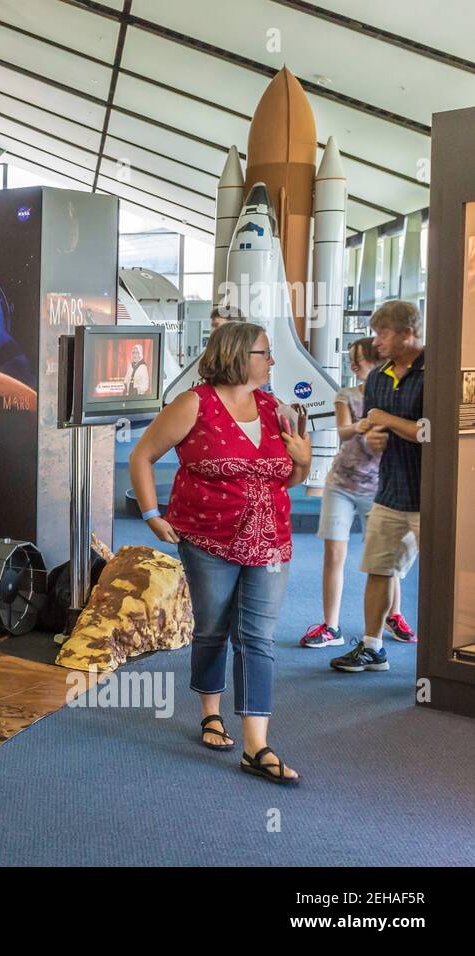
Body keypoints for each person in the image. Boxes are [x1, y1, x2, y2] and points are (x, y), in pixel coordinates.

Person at [129, 322, 311, 786]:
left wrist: (304, 462)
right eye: (264, 353)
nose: (271, 361)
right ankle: (210, 711)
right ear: (237, 355)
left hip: (271, 540)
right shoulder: (194, 403)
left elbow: (285, 480)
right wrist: (151, 513)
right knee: (212, 627)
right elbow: (142, 455)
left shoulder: (276, 409)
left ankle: (257, 745)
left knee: (257, 638)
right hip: (209, 538)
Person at [331, 301, 425, 673]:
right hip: (389, 493)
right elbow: (372, 435)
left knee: (441, 578)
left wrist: (386, 420)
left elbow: (430, 431)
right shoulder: (379, 377)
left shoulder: (437, 371)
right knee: (378, 569)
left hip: (431, 496)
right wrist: (373, 440)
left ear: (407, 333)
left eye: (383, 333)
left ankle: (441, 661)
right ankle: (373, 647)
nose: (376, 342)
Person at [300, 338, 412, 647]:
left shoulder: (396, 399)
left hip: (381, 487)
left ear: (377, 363)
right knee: (334, 553)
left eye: (359, 359)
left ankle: (394, 615)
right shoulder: (346, 395)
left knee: (385, 558)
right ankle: (331, 627)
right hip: (342, 484)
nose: (354, 364)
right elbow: (343, 431)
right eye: (351, 359)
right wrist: (366, 424)